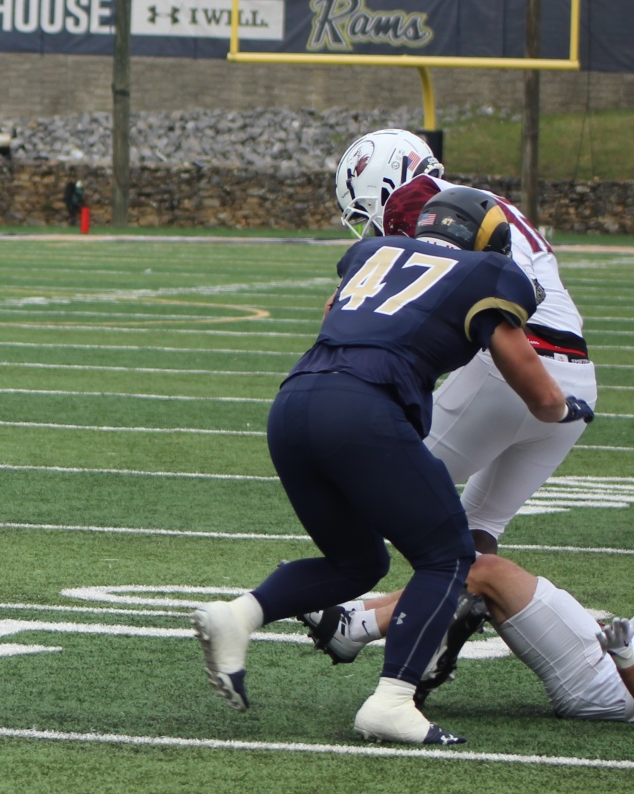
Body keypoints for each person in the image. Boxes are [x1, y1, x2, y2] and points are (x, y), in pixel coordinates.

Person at [189, 187, 591, 745]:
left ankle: (241, 615)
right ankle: (393, 701)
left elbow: (336, 314)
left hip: (294, 401)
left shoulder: (370, 253)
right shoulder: (485, 273)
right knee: (448, 556)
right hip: (363, 409)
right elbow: (537, 389)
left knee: (357, 562)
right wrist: (567, 407)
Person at [333, 128, 595, 556]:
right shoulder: (485, 203)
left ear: (382, 182)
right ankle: (460, 607)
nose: (371, 227)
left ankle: (341, 608)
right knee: (480, 529)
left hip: (512, 364)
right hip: (577, 383)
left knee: (372, 485)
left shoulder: (417, 200)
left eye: (365, 213)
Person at [309, 554, 633, 723]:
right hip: (609, 661)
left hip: (605, 685)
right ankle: (355, 614)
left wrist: (624, 653)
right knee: (480, 568)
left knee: (486, 573)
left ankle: (355, 626)